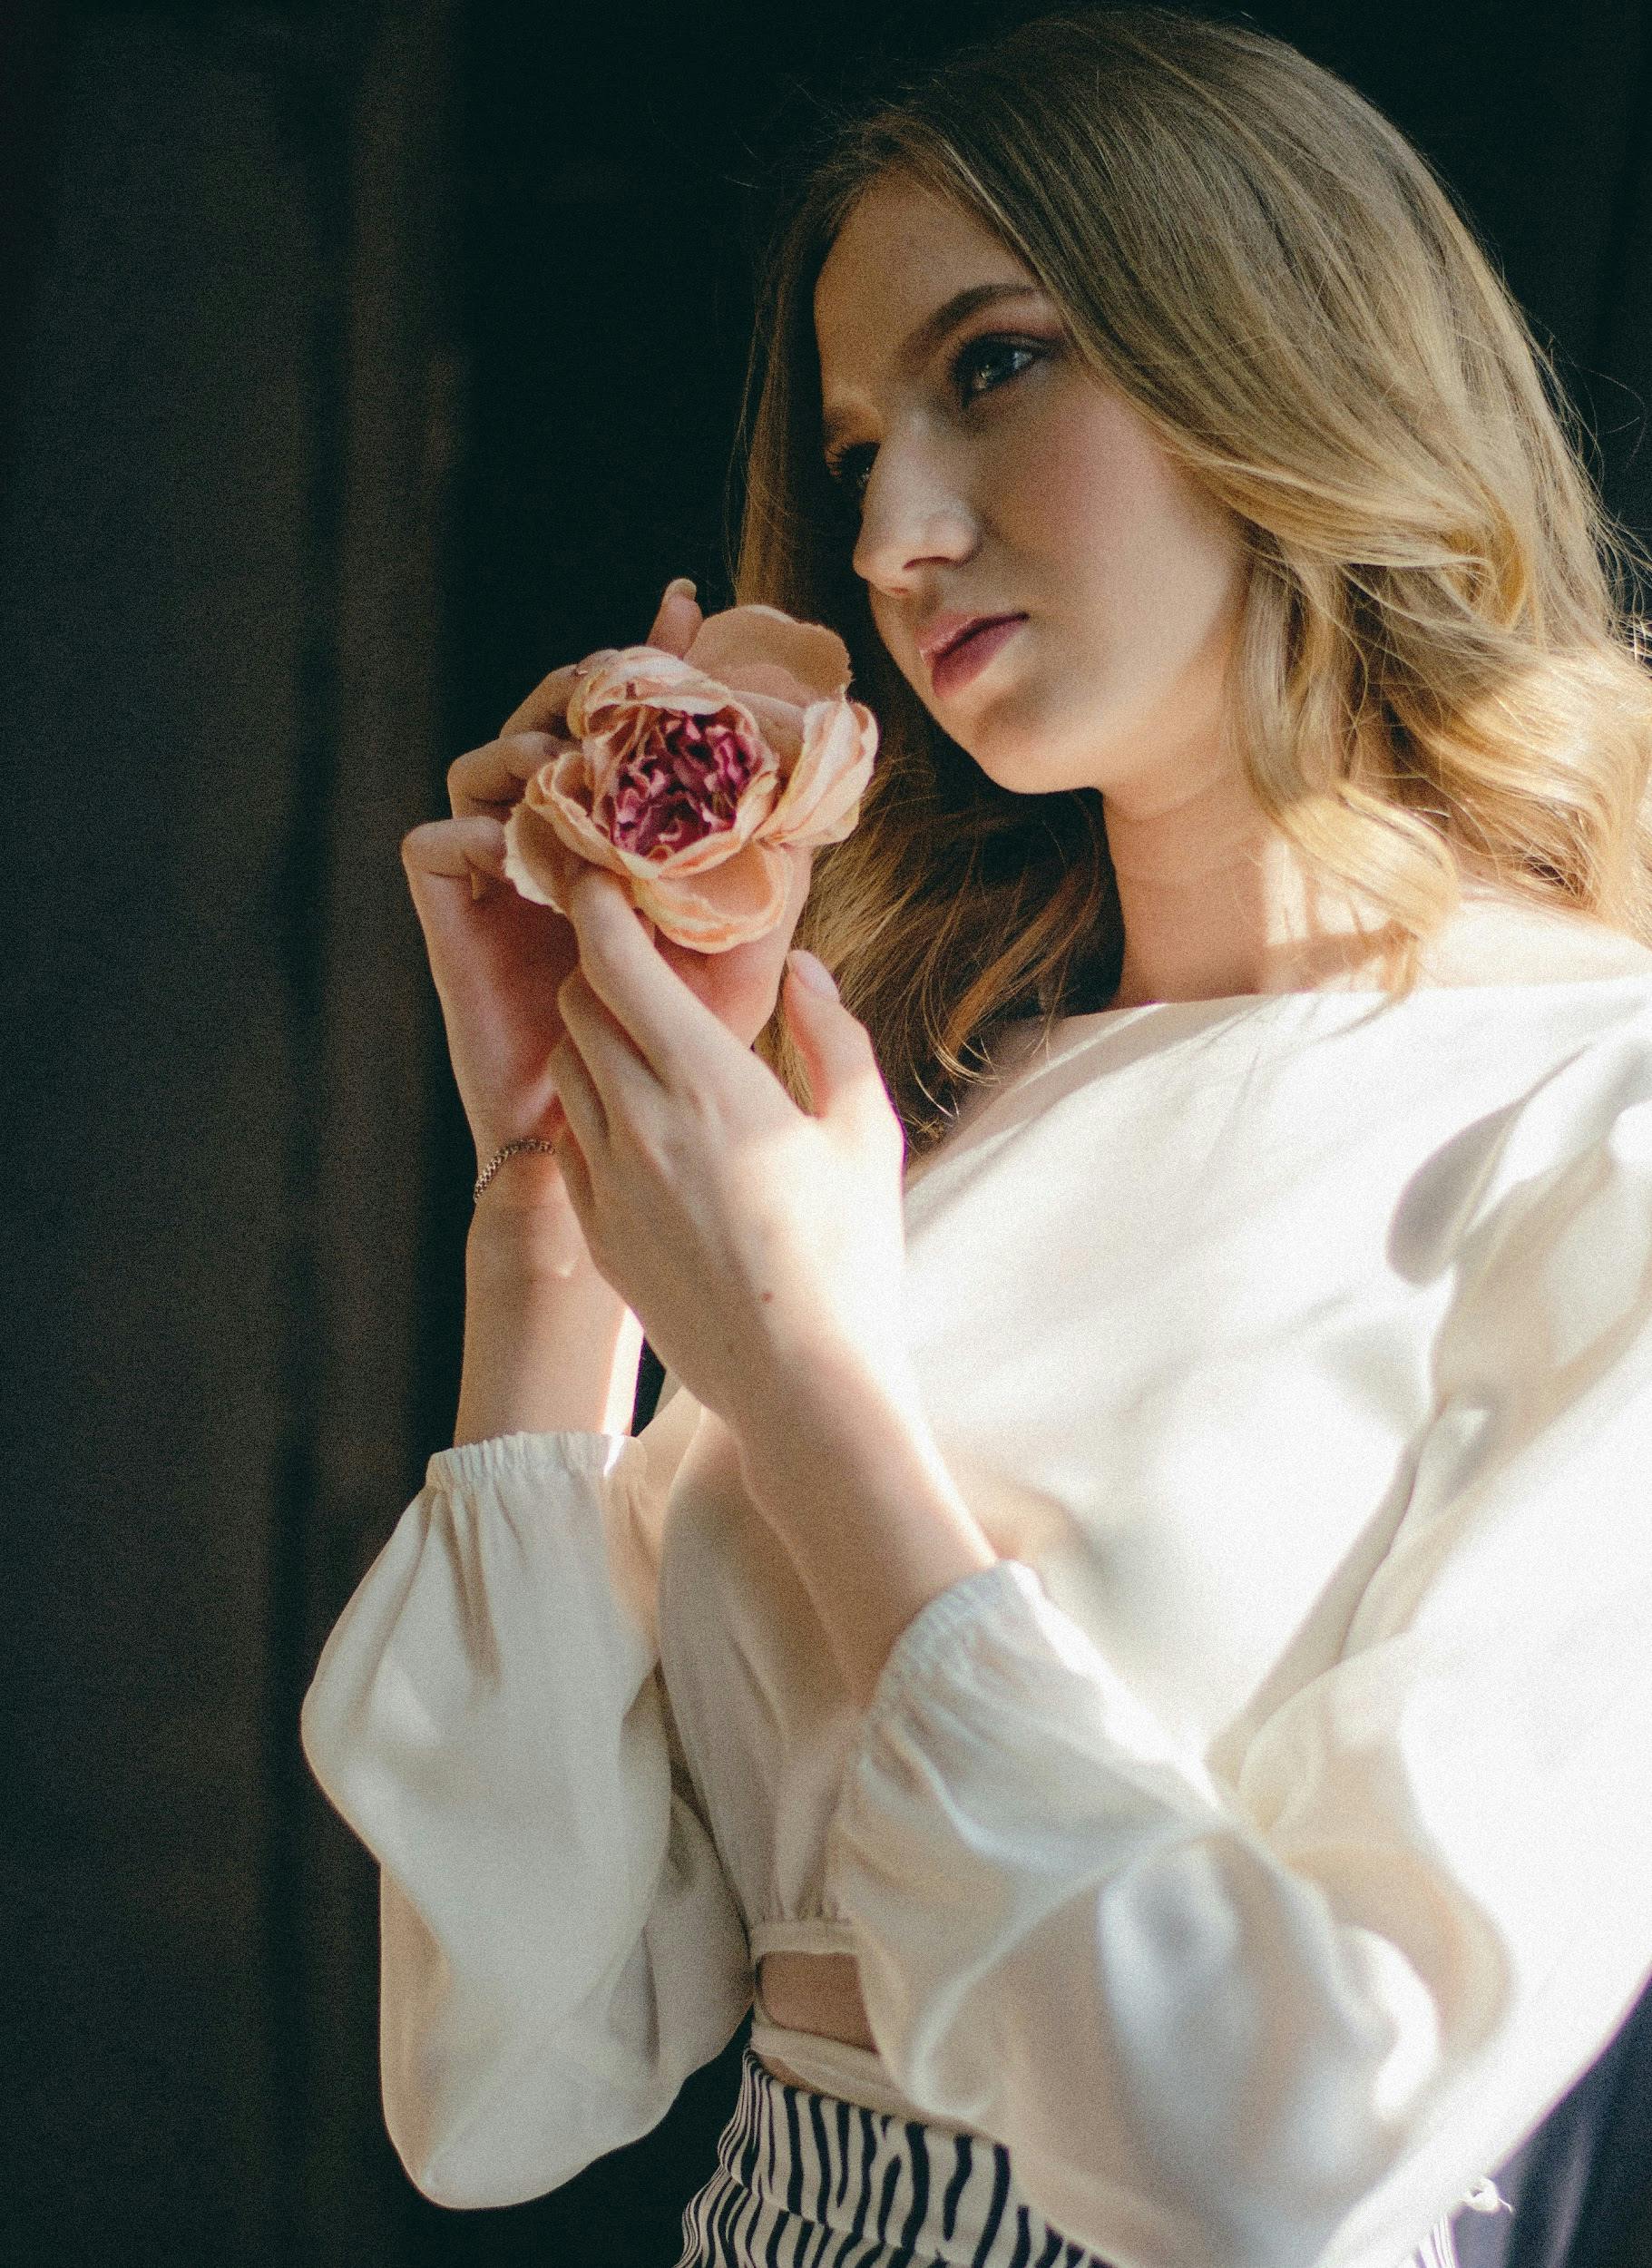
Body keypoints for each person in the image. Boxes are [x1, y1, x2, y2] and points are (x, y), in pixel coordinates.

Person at [299, 8, 1652, 2265]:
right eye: (850, 450)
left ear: (1281, 354)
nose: (894, 534)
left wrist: (808, 1381)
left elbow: (1272, 2148)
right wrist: (550, 1231)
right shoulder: (946, 1136)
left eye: (994, 366)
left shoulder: (1588, 1116)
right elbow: (507, 2078)